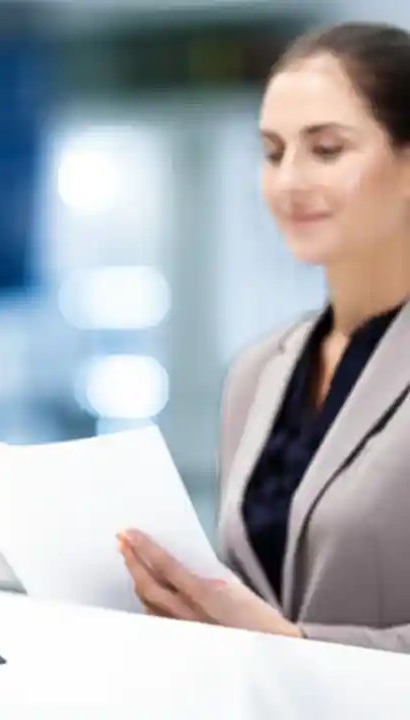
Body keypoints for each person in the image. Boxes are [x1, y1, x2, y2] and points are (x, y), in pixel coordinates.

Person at [118, 22, 410, 653]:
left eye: (327, 149)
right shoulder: (257, 373)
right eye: (274, 152)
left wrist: (294, 641)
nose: (289, 182)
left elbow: (278, 632)